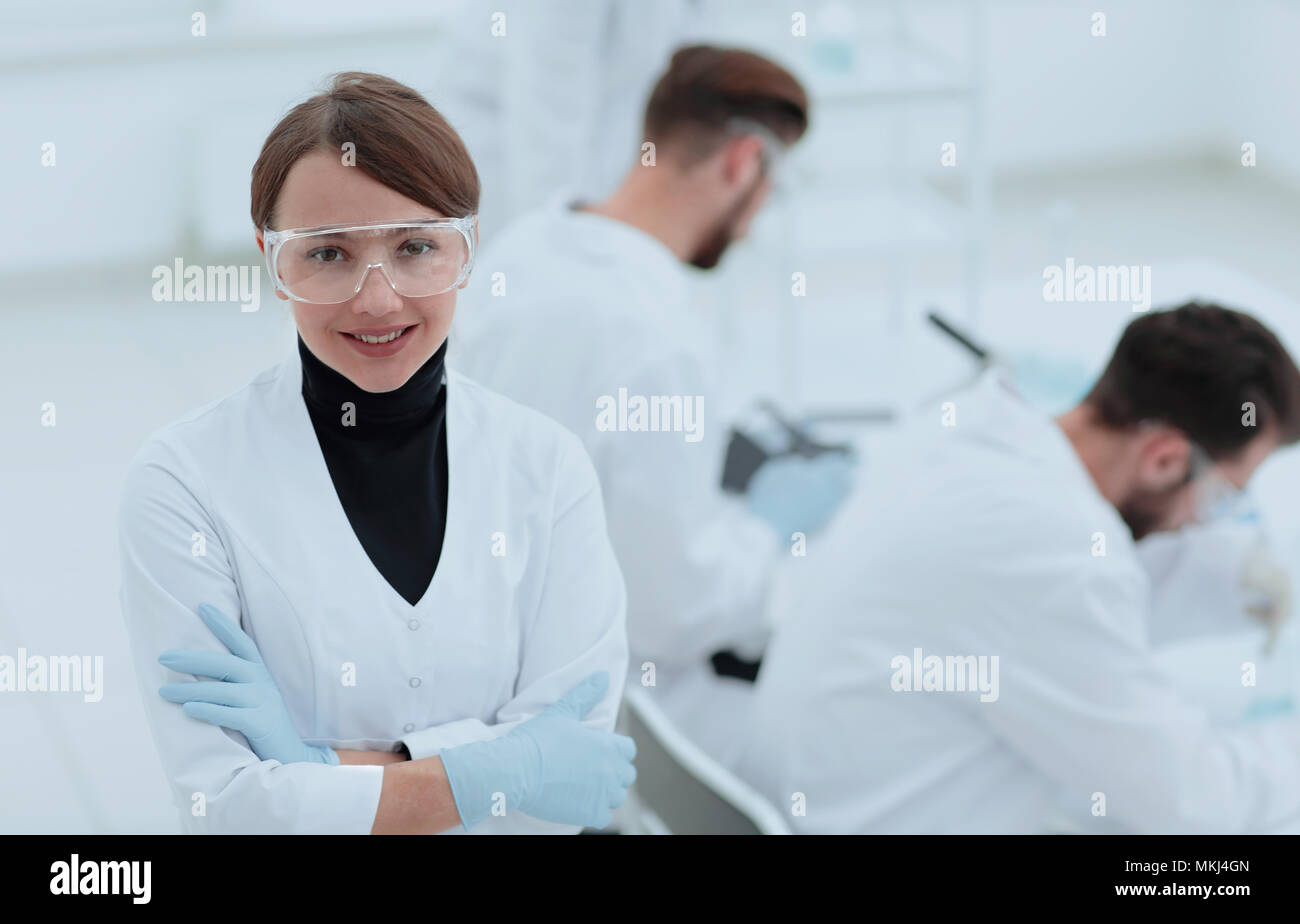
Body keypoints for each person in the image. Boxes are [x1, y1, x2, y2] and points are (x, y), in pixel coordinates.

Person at [117, 72, 635, 835]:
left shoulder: (547, 468)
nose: (378, 298)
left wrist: (319, 770)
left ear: (467, 246)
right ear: (272, 260)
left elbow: (568, 777)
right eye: (328, 254)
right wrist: (501, 766)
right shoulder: (184, 483)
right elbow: (226, 808)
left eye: (416, 246)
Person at [739, 302, 1300, 833]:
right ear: (1164, 458)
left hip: (805, 795)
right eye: (1221, 498)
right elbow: (1199, 804)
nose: (1203, 524)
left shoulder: (966, 433)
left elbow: (1056, 617)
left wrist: (1236, 575)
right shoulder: (1060, 557)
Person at [451, 45, 855, 763]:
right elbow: (681, 611)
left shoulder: (526, 246)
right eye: (772, 190)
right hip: (599, 709)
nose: (757, 222)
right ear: (741, 165)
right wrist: (770, 531)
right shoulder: (657, 340)